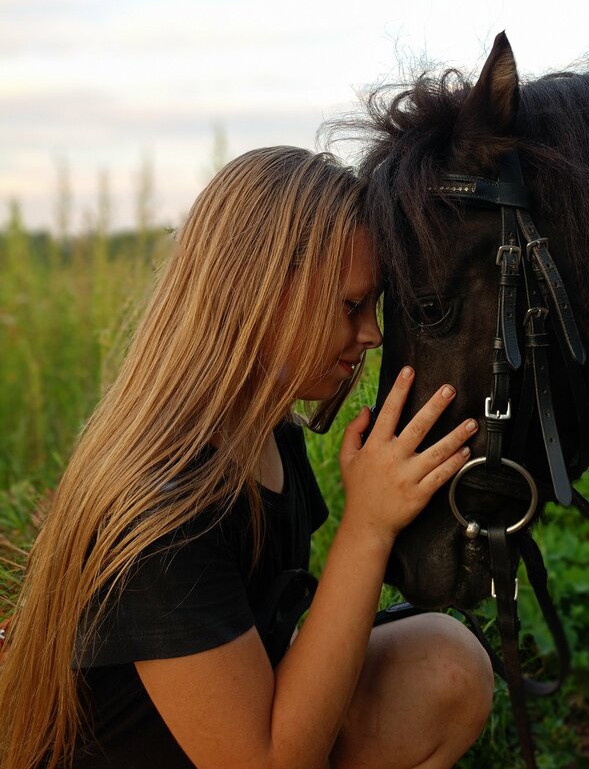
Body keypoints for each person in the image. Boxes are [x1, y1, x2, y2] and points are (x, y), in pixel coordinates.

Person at [0, 147, 493, 769]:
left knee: (442, 665)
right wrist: (368, 526)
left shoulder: (272, 441)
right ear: (259, 293)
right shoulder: (164, 508)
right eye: (351, 305)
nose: (370, 332)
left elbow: (278, 646)